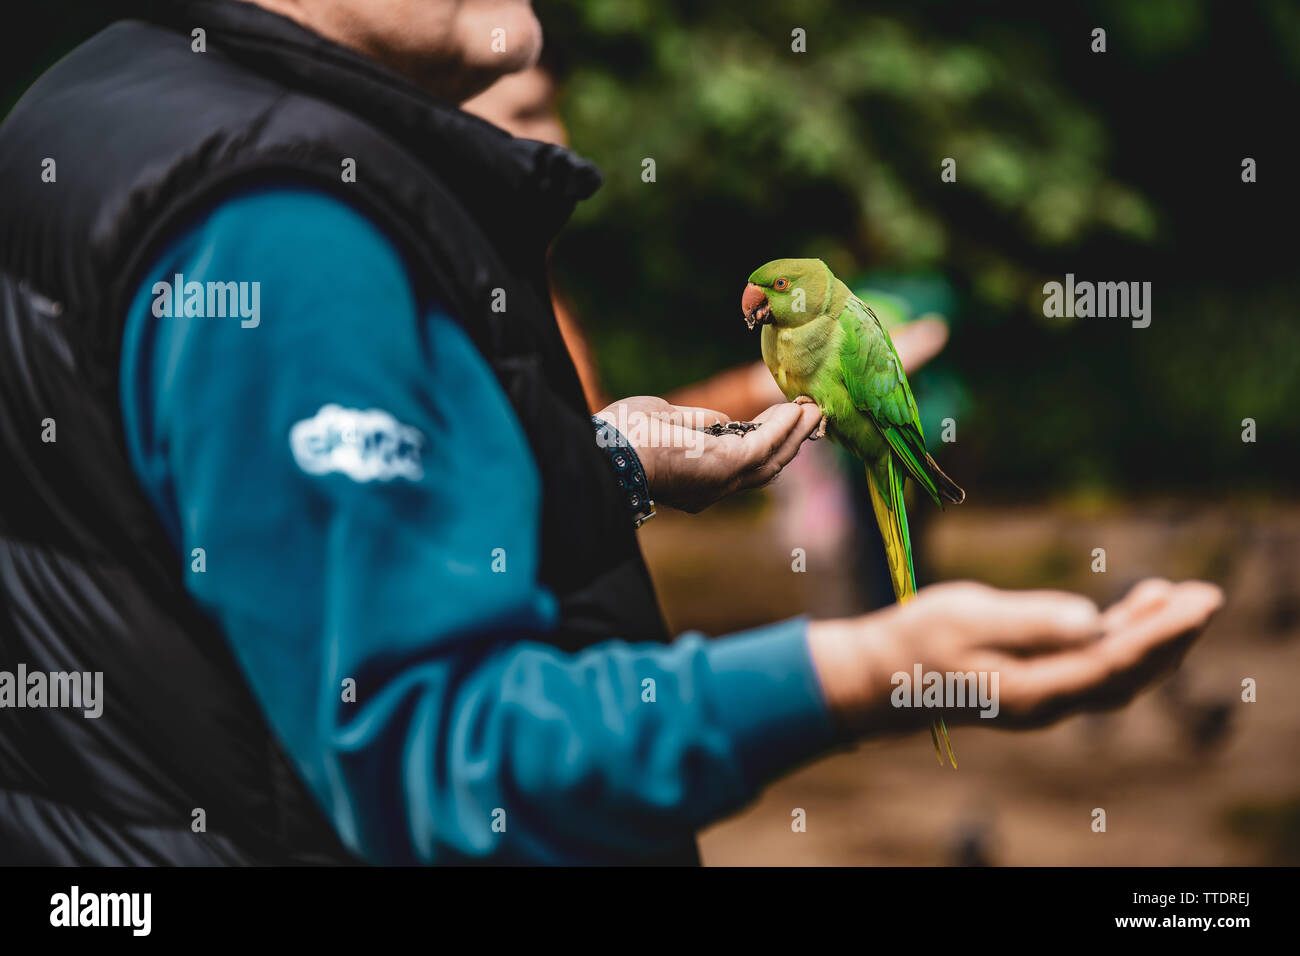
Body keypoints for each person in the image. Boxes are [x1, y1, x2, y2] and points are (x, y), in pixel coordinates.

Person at [0, 0, 1222, 865]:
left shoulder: (103, 103)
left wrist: (608, 465)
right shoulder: (282, 222)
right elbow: (445, 755)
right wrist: (850, 672)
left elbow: (214, 548)